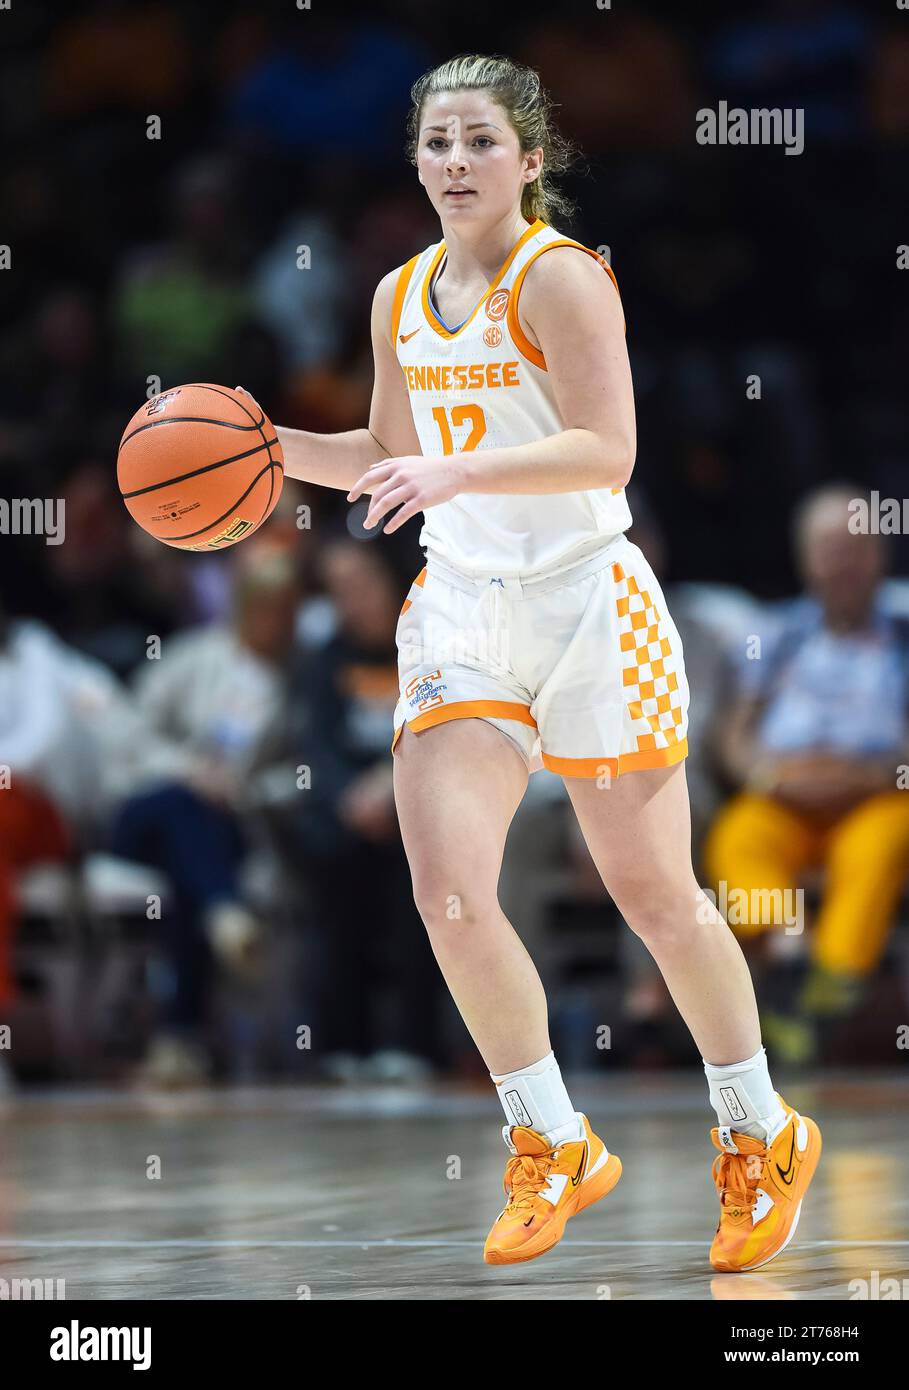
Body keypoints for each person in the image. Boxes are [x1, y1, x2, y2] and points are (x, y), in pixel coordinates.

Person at [239, 54, 821, 1271]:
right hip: (461, 606)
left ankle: (759, 1127)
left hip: (590, 601)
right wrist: (261, 443)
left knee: (656, 896)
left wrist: (454, 472)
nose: (456, 161)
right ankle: (551, 1139)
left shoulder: (565, 280)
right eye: (438, 142)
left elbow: (605, 451)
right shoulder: (399, 296)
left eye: (480, 142)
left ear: (531, 159)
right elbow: (393, 453)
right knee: (447, 889)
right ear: (415, 160)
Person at [706, 486, 909, 1063]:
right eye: (829, 549)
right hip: (784, 795)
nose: (843, 564)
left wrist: (873, 774)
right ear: (805, 559)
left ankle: (831, 985)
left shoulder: (902, 631)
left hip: (877, 794)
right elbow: (735, 732)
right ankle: (791, 953)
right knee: (737, 838)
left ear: (879, 555)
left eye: (856, 548)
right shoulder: (774, 634)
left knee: (882, 845)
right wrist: (765, 776)